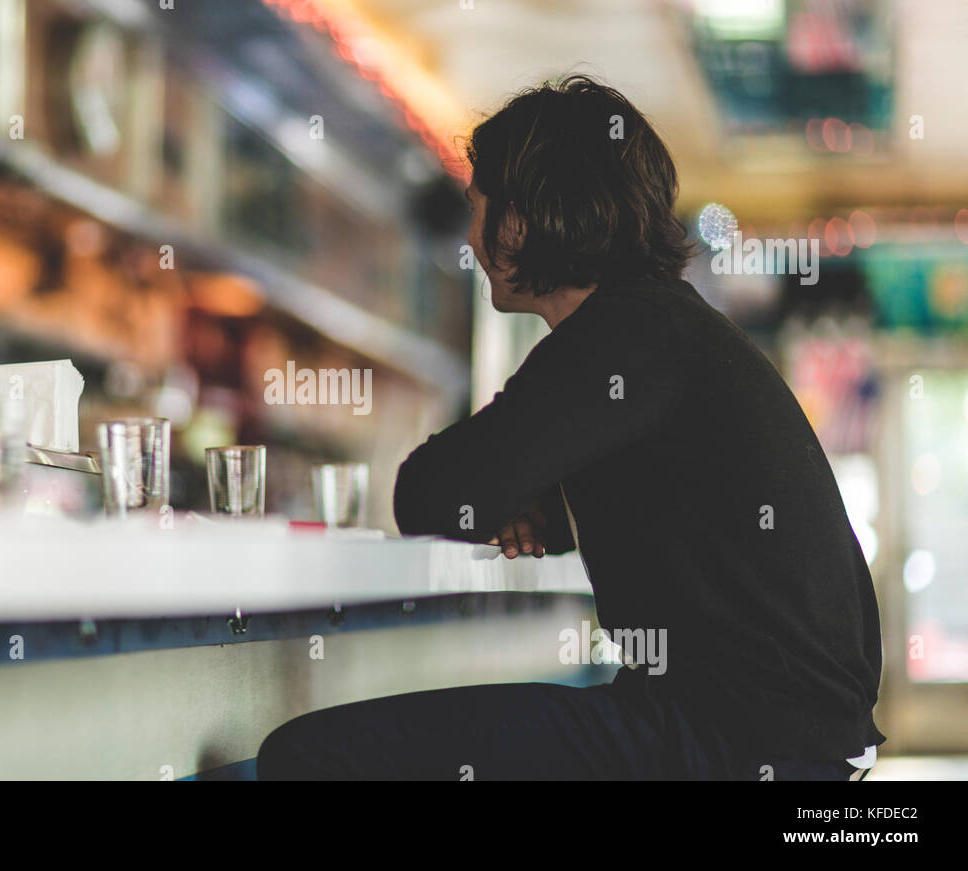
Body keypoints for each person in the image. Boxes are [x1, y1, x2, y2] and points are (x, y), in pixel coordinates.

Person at [256, 74, 883, 781]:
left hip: (730, 742)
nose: (470, 236)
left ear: (521, 219)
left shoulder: (624, 331)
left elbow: (431, 492)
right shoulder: (662, 325)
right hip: (780, 741)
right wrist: (549, 508)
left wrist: (514, 495)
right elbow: (652, 500)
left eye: (477, 207)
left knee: (311, 759)